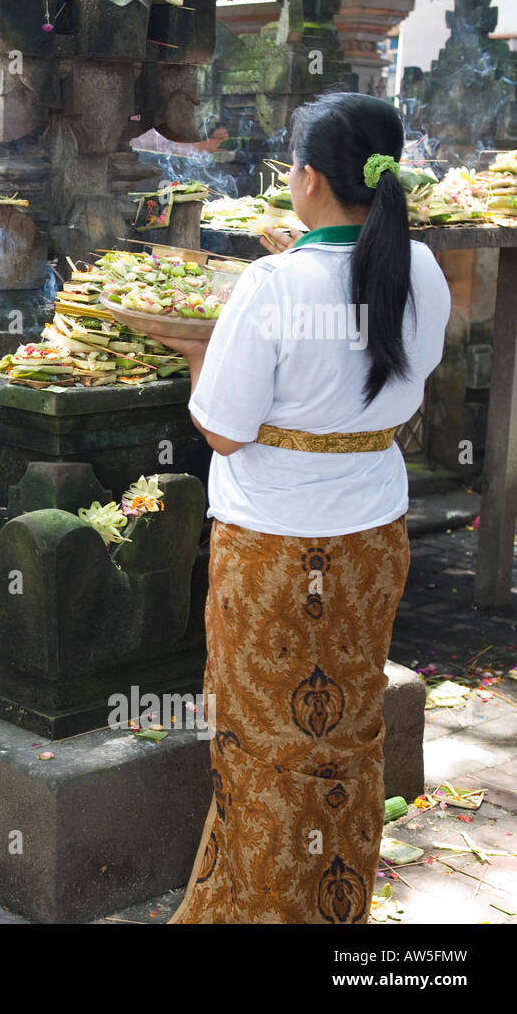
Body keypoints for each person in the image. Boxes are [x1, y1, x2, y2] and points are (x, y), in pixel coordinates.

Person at [141, 92, 450, 922]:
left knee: (261, 749)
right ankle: (335, 904)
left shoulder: (269, 285)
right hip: (369, 546)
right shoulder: (417, 267)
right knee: (347, 737)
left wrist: (204, 350)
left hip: (272, 552)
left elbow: (224, 430)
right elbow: (389, 367)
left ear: (307, 179)